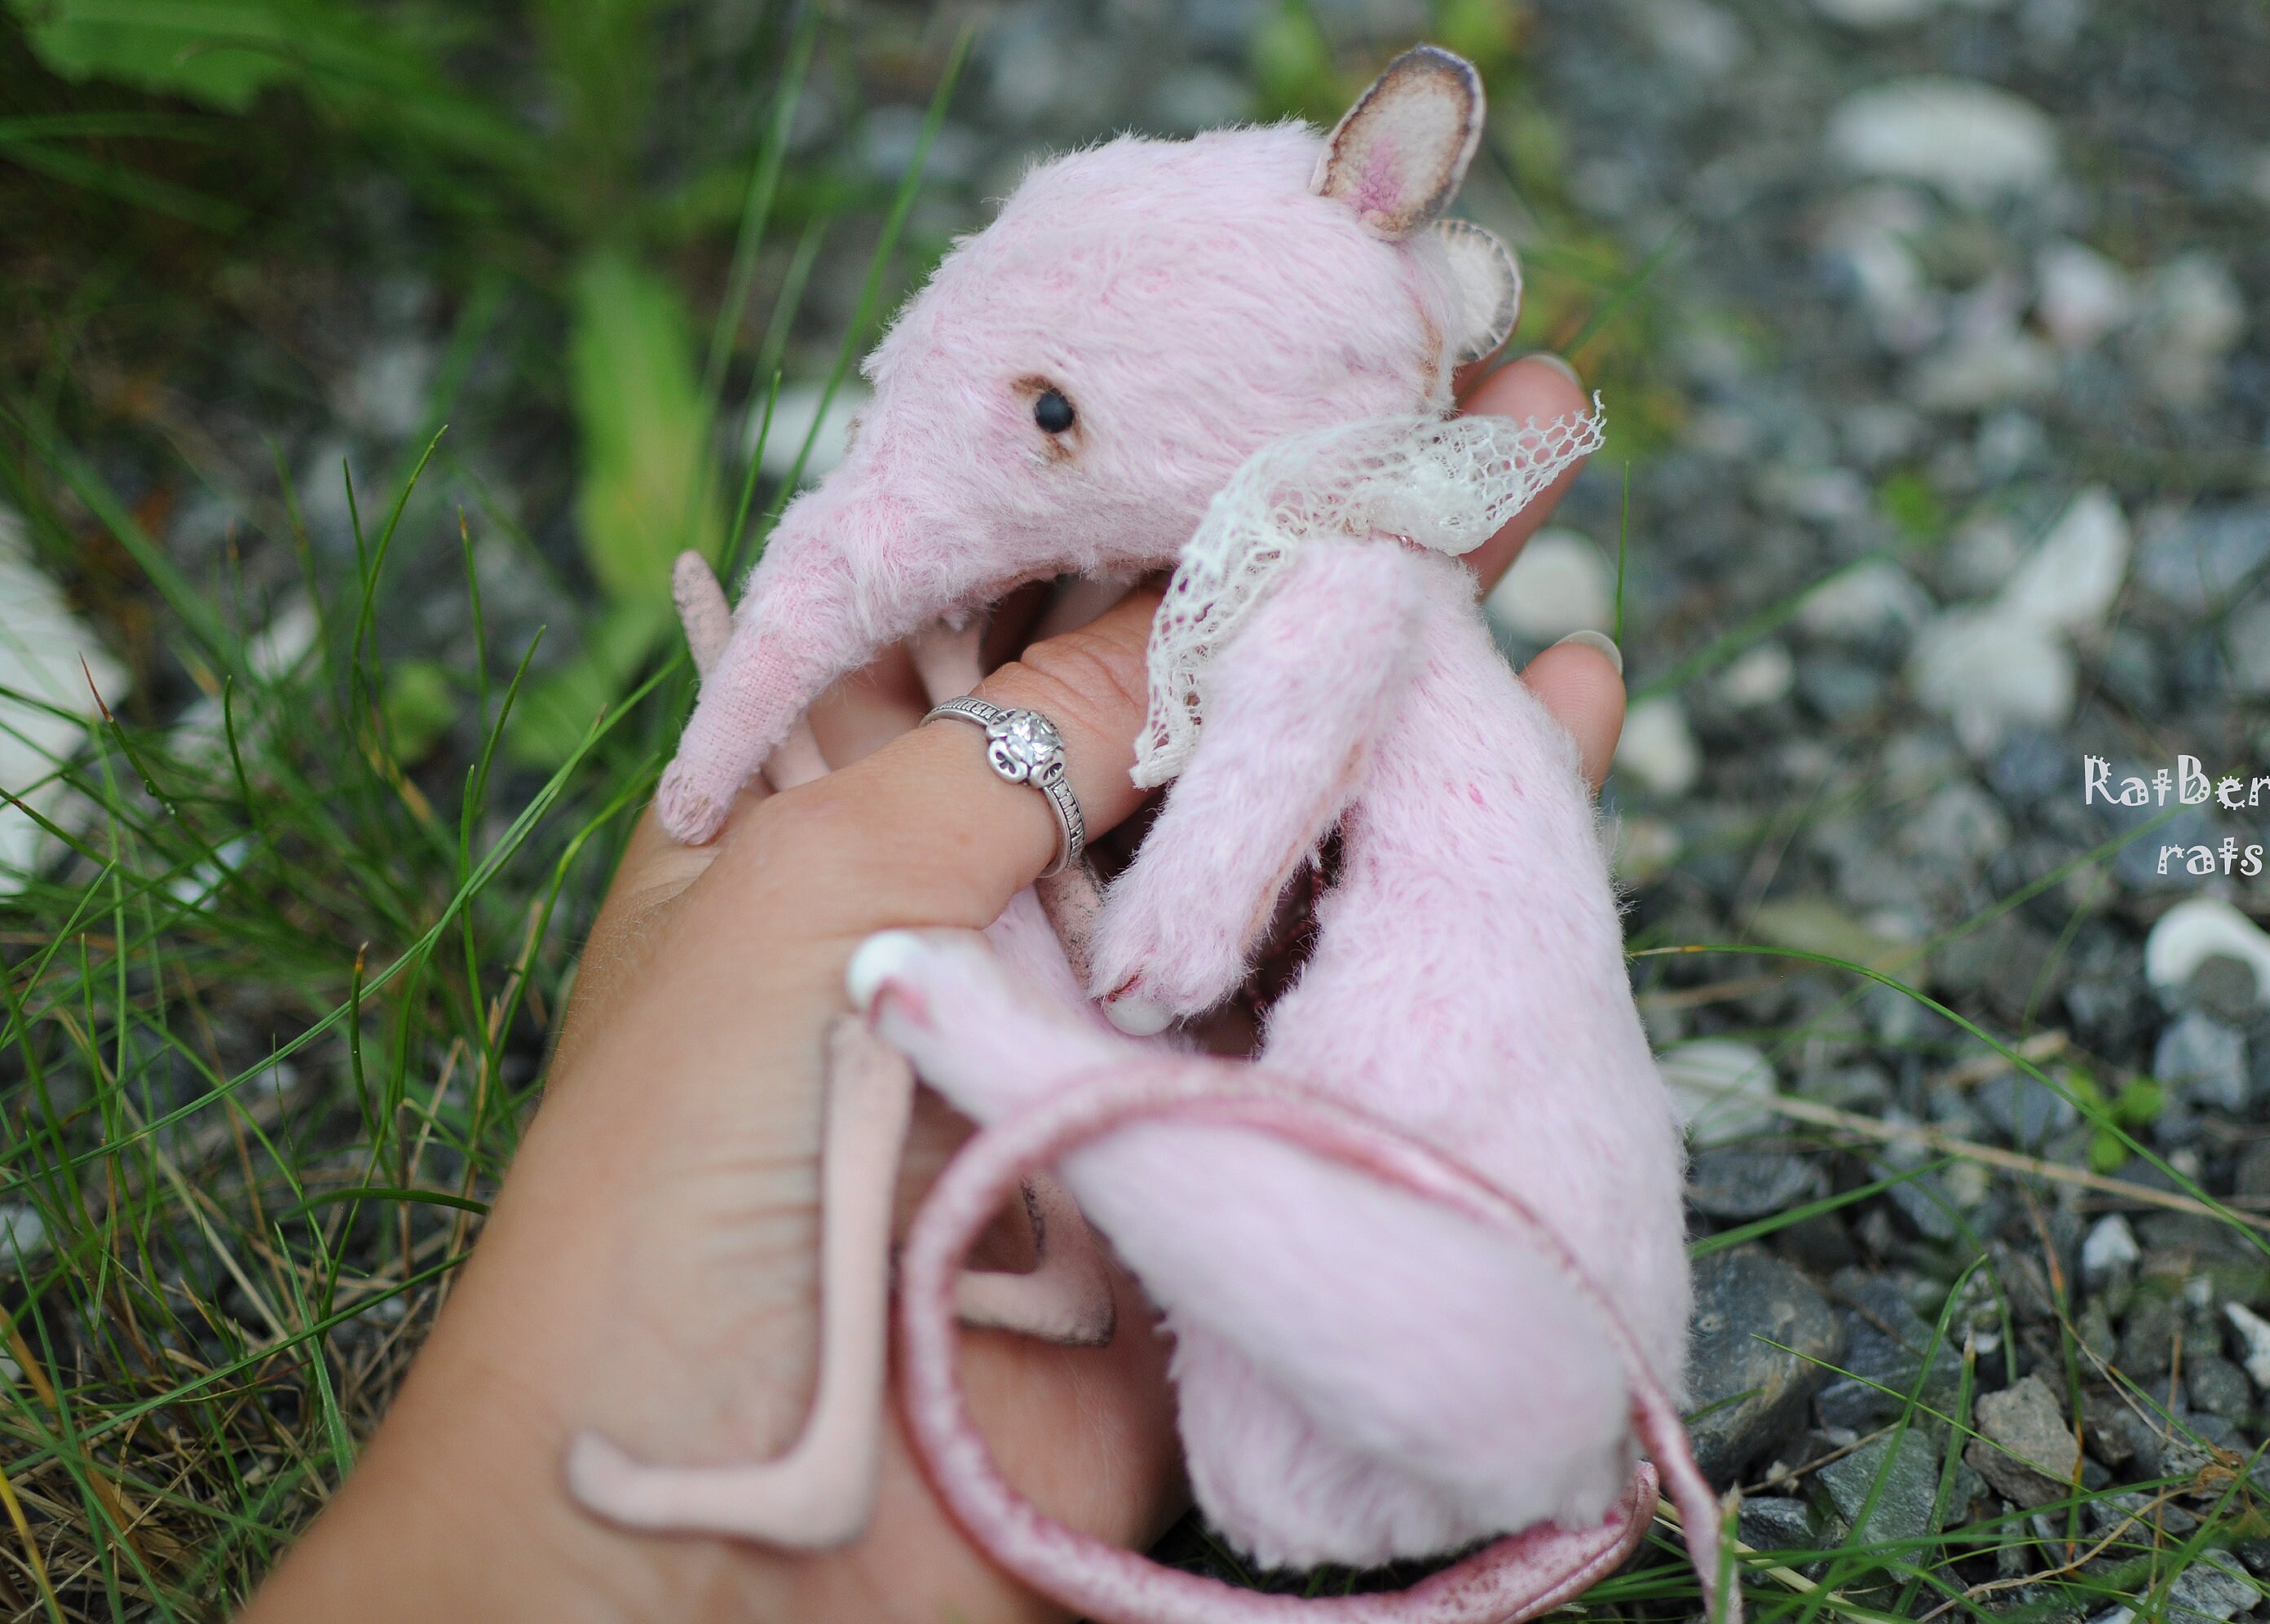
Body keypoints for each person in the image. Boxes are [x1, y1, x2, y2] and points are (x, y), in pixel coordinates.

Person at [243, 356, 1625, 1622]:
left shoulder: (1323, 586)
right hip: (1237, 1245)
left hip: (1259, 1189)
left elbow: (1187, 922)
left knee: (1075, 990)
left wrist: (1130, 876)